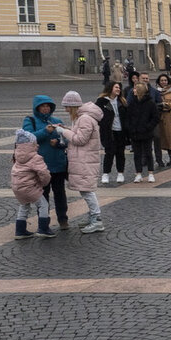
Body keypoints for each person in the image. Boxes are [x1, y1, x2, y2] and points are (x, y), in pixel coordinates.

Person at [56, 91, 107, 233]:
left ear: (73, 106)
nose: (66, 110)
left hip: (85, 161)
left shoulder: (84, 118)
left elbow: (80, 139)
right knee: (86, 191)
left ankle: (97, 219)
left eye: (67, 107)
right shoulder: (82, 118)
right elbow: (79, 135)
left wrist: (63, 132)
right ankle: (93, 217)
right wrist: (66, 129)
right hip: (83, 160)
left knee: (87, 191)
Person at [22, 95, 70, 229]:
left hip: (58, 164)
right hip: (40, 166)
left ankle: (63, 219)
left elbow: (66, 140)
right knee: (43, 196)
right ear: (37, 107)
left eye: (48, 106)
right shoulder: (30, 120)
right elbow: (28, 138)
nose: (46, 108)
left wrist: (59, 144)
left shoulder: (56, 120)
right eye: (43, 106)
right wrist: (45, 131)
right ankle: (44, 223)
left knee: (60, 194)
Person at [11, 129, 54, 239]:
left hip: (17, 187)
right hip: (30, 187)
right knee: (43, 205)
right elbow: (44, 173)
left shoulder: (16, 155)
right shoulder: (35, 157)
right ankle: (43, 228)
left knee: (24, 206)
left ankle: (20, 231)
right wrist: (44, 183)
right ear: (33, 144)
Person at [126, 81, 159, 183]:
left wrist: (148, 127)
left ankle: (150, 173)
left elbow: (155, 118)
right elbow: (128, 118)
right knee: (137, 154)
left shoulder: (150, 103)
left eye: (136, 89)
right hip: (135, 132)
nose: (133, 90)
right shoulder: (132, 103)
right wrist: (130, 128)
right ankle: (138, 173)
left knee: (148, 152)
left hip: (146, 132)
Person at [95, 82, 127, 184]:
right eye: (116, 87)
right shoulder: (102, 101)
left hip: (121, 131)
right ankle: (106, 174)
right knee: (109, 152)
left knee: (120, 153)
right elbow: (96, 114)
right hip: (109, 132)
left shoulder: (122, 101)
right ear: (110, 88)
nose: (118, 89)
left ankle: (120, 173)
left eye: (119, 88)